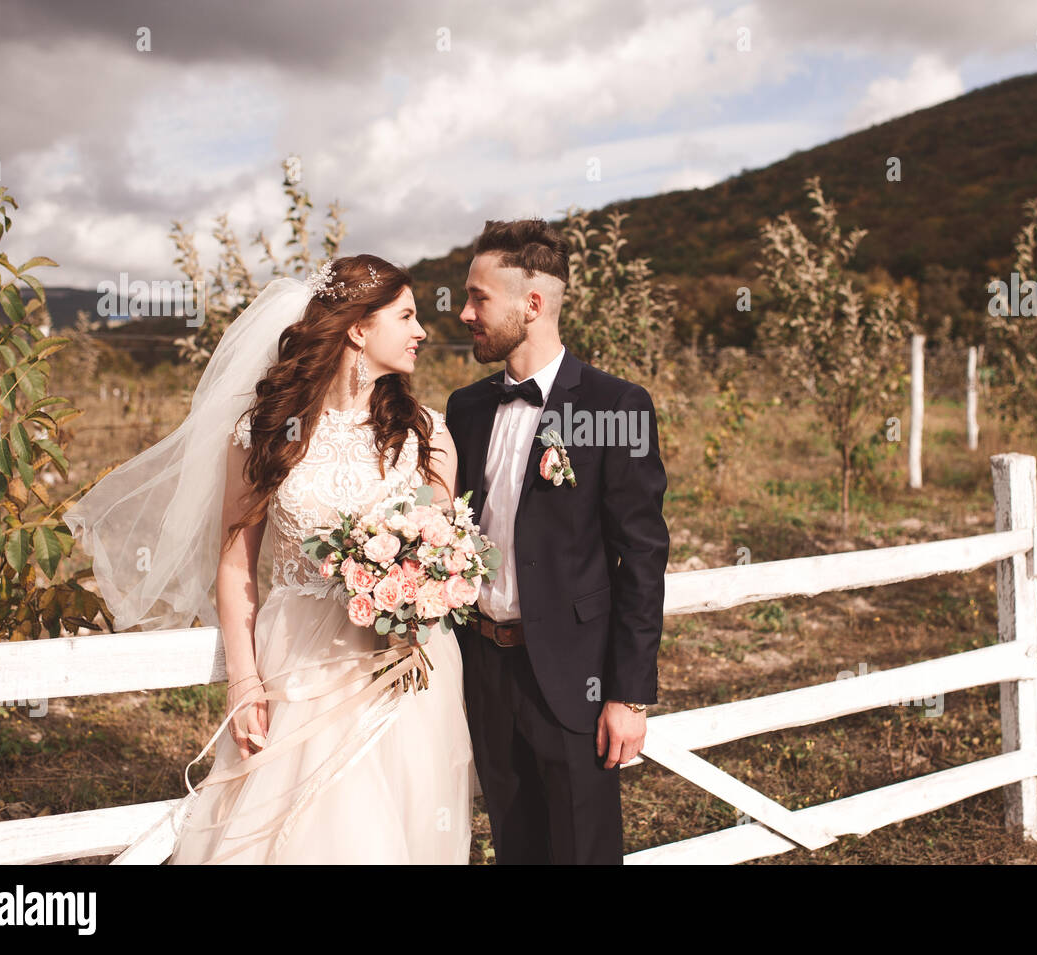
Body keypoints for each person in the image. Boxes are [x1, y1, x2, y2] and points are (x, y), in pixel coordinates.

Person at [66, 255, 474, 864]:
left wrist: (420, 597)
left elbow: (442, 552)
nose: (423, 331)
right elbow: (234, 565)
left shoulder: (427, 434)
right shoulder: (263, 432)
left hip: (402, 663)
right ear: (358, 329)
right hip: (298, 661)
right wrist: (245, 679)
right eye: (407, 316)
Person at [446, 219, 671, 864]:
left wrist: (629, 694)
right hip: (484, 669)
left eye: (478, 298)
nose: (463, 313)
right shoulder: (465, 407)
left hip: (577, 679)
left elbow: (643, 557)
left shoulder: (617, 404)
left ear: (532, 303)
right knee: (515, 846)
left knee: (581, 851)